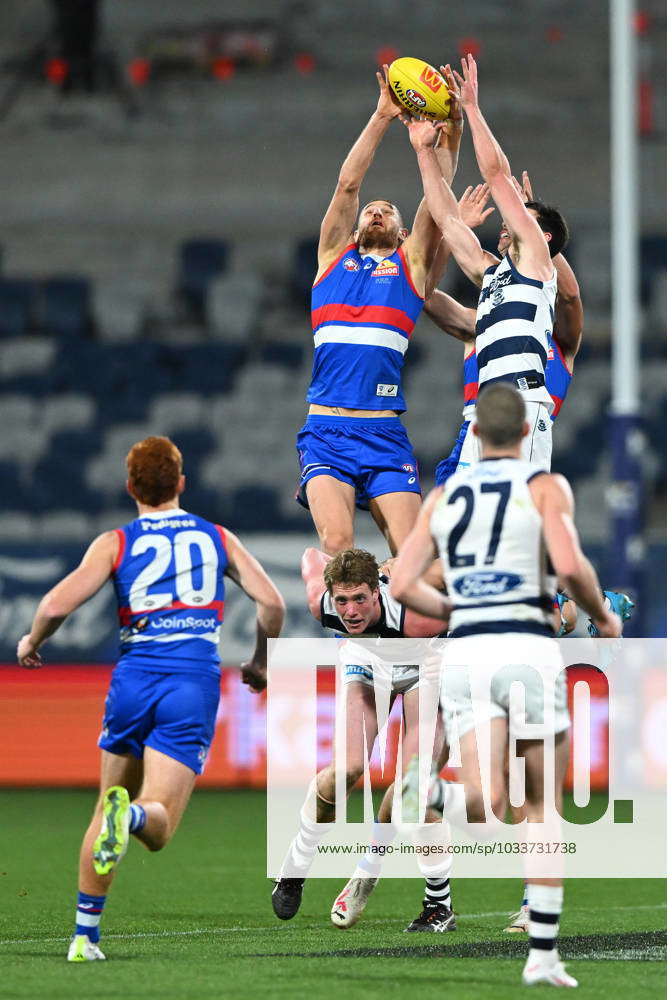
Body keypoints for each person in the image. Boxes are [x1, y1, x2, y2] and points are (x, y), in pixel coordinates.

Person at [17, 436, 285, 962]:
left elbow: (54, 603)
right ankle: (134, 820)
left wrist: (32, 642)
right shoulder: (216, 538)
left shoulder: (114, 542)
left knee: (105, 805)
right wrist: (259, 662)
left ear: (130, 487)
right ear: (181, 482)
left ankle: (83, 938)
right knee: (155, 822)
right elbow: (271, 602)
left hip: (133, 678)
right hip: (190, 681)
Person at [390, 383, 621, 988]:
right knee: (541, 804)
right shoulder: (544, 486)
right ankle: (542, 955)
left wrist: (455, 605)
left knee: (487, 801)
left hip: (466, 653)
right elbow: (569, 565)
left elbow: (403, 585)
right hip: (526, 647)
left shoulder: (444, 496)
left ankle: (434, 798)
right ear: (526, 432)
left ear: (472, 436)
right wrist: (603, 614)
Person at [296, 64, 463, 557]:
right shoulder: (331, 259)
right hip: (326, 428)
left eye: (388, 211)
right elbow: (348, 185)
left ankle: (399, 634)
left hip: (384, 431)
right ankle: (348, 634)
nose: (375, 211)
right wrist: (381, 116)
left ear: (402, 234)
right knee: (341, 547)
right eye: (372, 209)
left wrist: (450, 131)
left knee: (410, 557)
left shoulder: (411, 270)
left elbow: (437, 203)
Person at [271, 548, 452, 928]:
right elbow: (308, 555)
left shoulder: (417, 616)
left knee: (415, 785)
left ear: (377, 592)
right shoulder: (322, 604)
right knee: (347, 769)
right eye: (342, 600)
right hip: (367, 666)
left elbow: (470, 611)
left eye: (360, 600)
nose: (350, 612)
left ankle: (437, 904)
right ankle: (295, 865)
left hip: (424, 667)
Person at [407, 57, 571, 472]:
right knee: (468, 526)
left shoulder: (536, 259)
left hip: (521, 404)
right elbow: (446, 220)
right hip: (483, 411)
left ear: (544, 235)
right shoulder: (493, 273)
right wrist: (423, 152)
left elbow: (497, 175)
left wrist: (473, 110)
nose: (508, 218)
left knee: (521, 516)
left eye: (522, 215)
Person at [423, 170, 582, 483]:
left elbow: (570, 294)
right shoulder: (483, 323)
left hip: (523, 434)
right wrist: (450, 235)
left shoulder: (562, 343)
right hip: (473, 438)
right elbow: (423, 295)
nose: (507, 226)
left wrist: (531, 231)